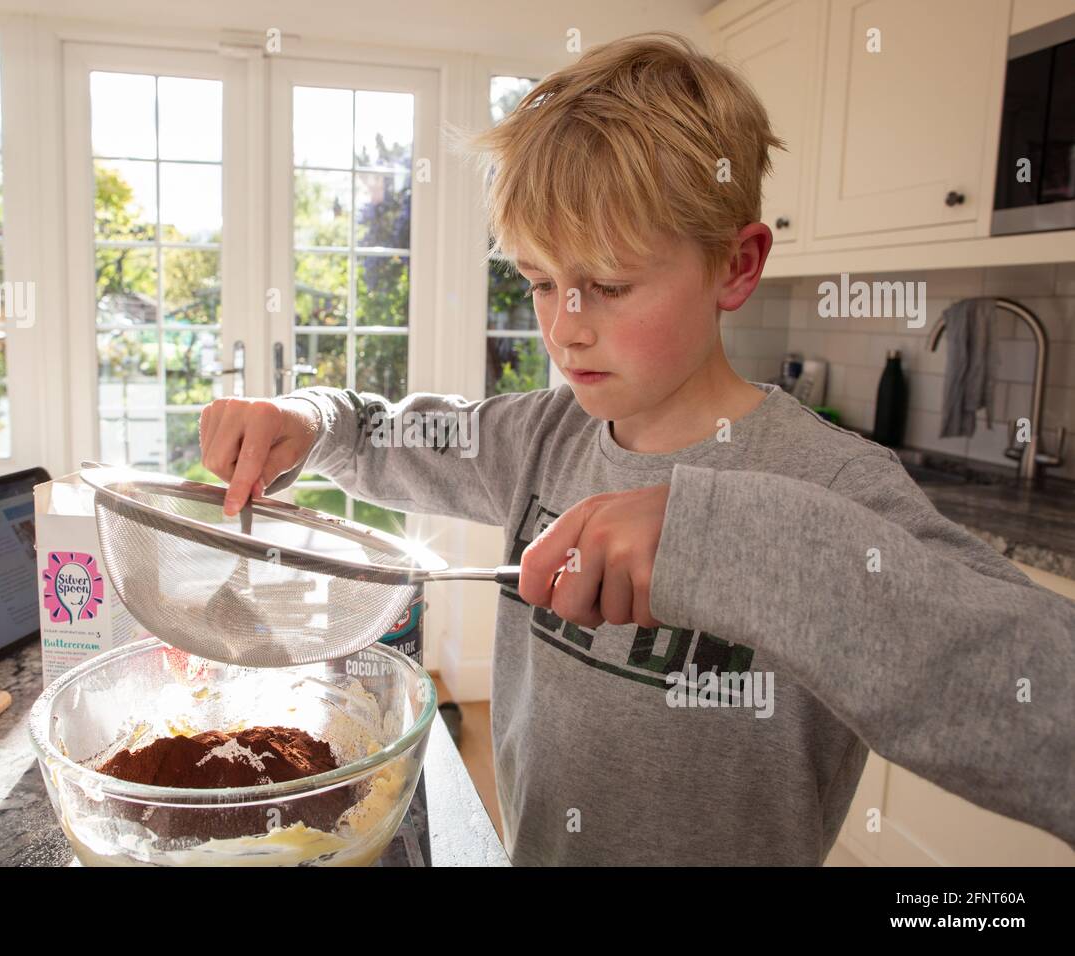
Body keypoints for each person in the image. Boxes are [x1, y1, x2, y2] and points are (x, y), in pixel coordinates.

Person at [198, 32, 1075, 865]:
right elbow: (373, 429)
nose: (564, 331)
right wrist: (304, 418)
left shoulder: (836, 484)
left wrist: (720, 540)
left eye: (608, 286)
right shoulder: (542, 436)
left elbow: (1046, 705)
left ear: (737, 265)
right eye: (542, 283)